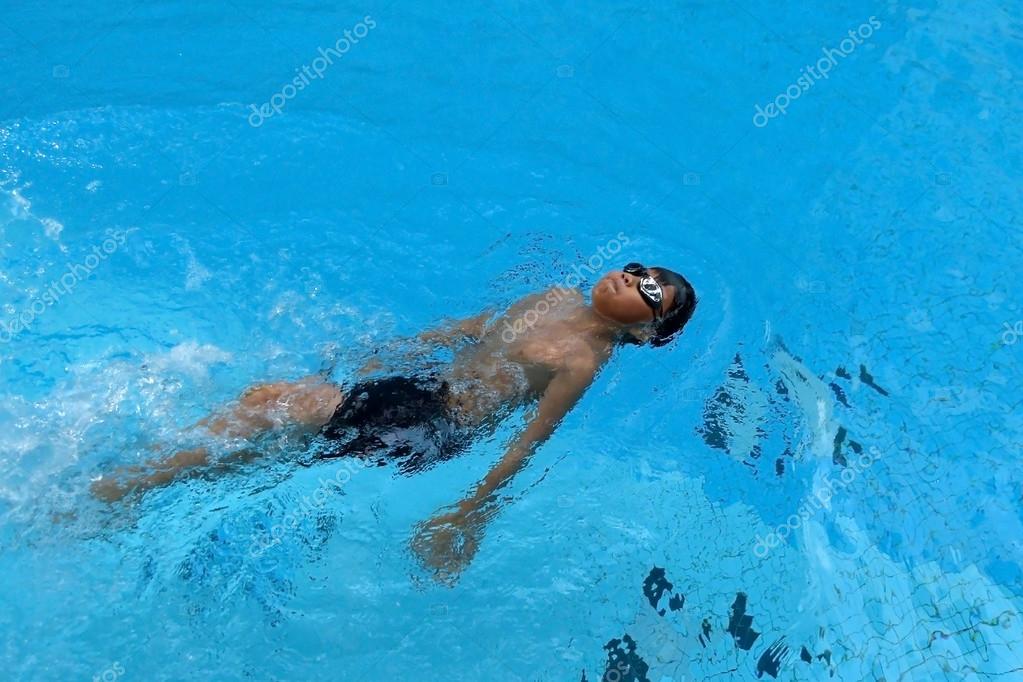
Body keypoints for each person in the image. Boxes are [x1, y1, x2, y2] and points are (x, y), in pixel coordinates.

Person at [90, 263, 697, 580]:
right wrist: (397, 351)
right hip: (419, 387)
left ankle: (127, 487)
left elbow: (529, 441)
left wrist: (469, 512)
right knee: (271, 415)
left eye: (649, 291)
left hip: (434, 426)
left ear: (646, 332)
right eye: (636, 267)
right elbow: (470, 329)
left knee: (276, 405)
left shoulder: (582, 361)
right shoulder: (553, 295)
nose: (631, 277)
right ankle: (155, 485)